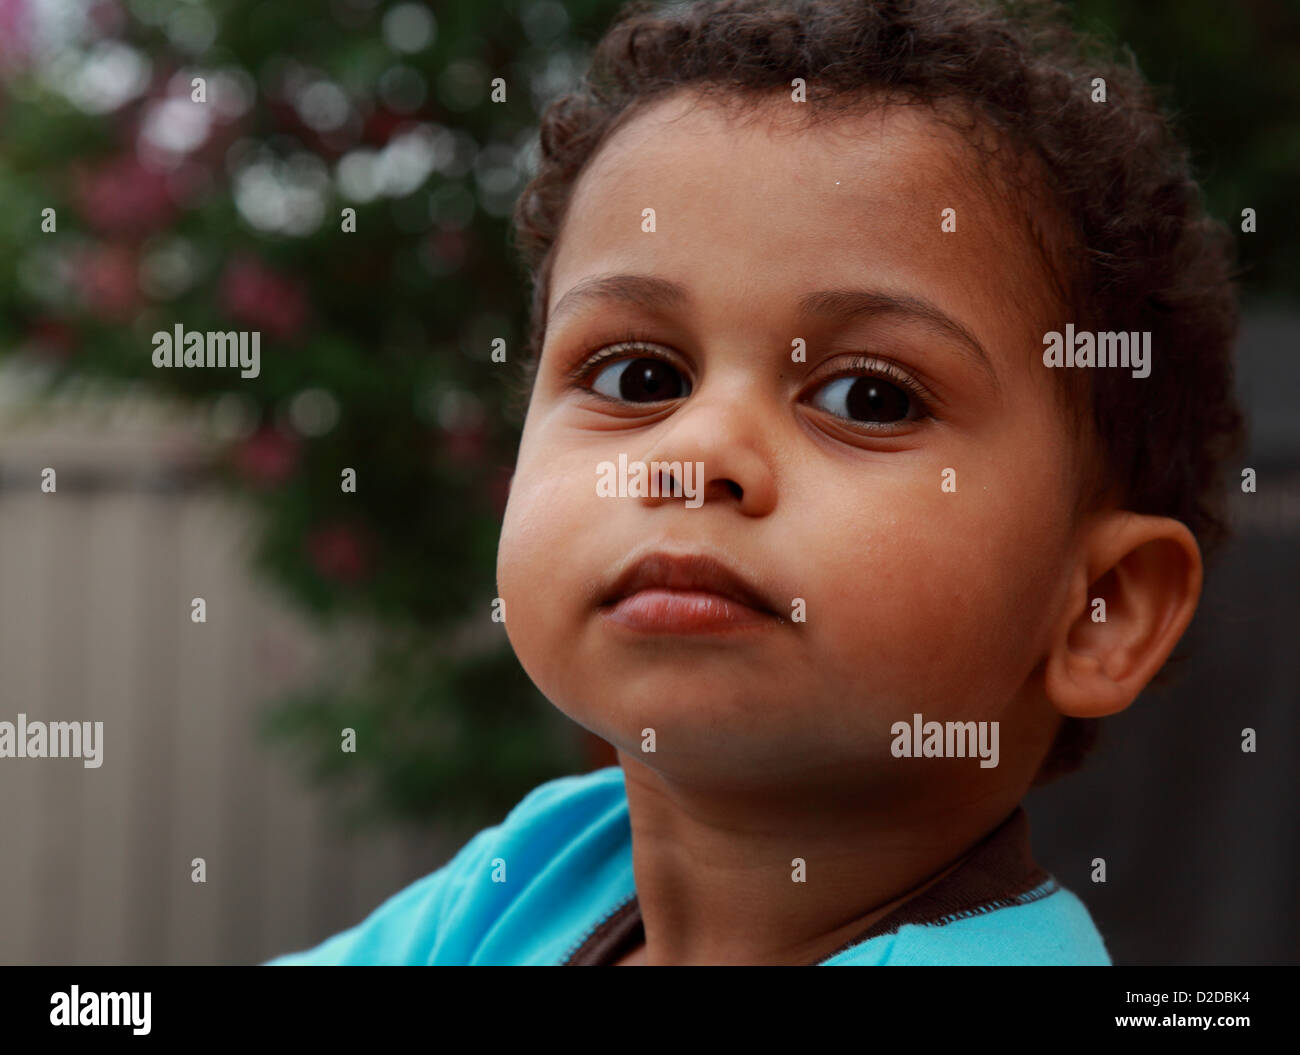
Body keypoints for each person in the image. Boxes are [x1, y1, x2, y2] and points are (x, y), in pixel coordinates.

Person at [267, 0, 1245, 965]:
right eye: (638, 377)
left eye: (868, 396)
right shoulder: (539, 873)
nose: (698, 453)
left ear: (1097, 607)